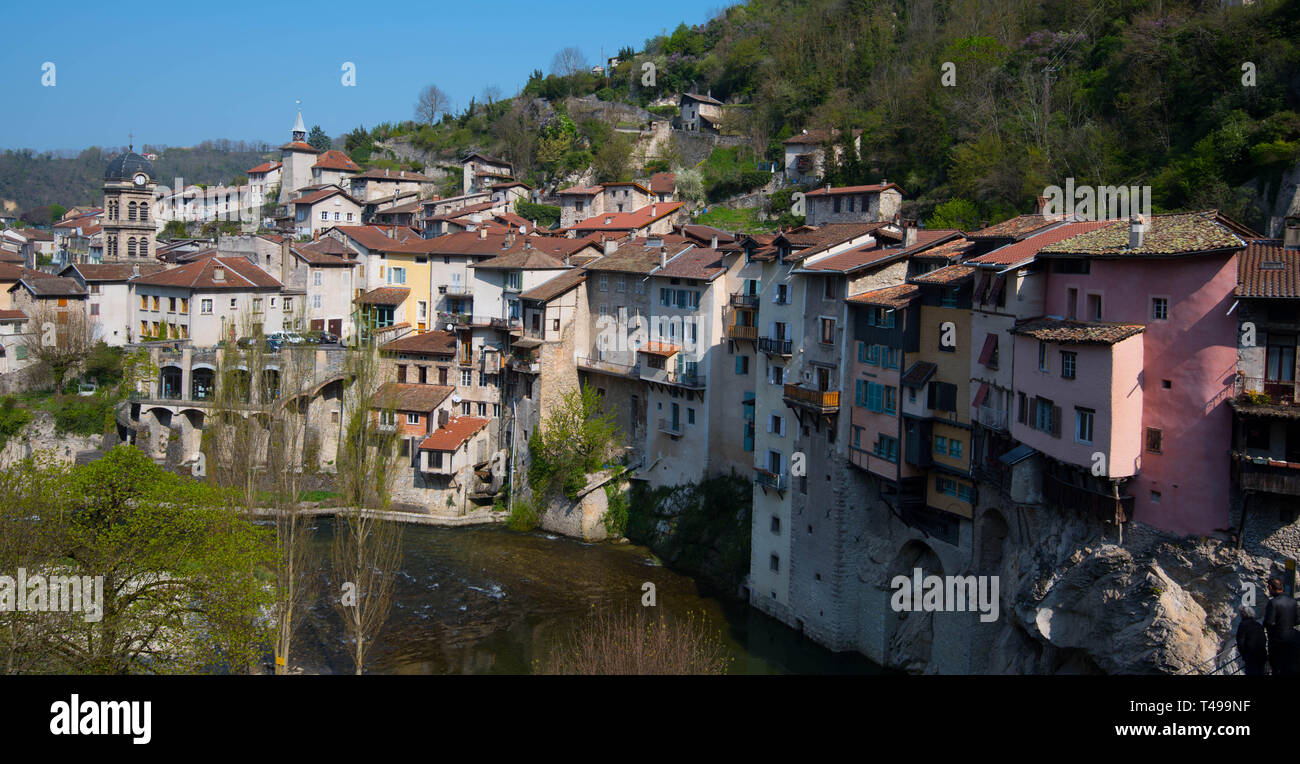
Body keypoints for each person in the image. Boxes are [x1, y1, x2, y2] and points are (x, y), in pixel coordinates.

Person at [1262, 576, 1299, 675]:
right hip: (1292, 640)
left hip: (1277, 642)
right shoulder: (1292, 601)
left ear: (1270, 587)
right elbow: (1297, 620)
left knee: (1277, 668)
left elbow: (1269, 622)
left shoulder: (1273, 603)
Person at [1236, 606, 1268, 676]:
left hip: (1251, 656)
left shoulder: (1243, 625)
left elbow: (1240, 641)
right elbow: (1264, 639)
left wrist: (1244, 654)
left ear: (1243, 614)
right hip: (1261, 654)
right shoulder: (1258, 624)